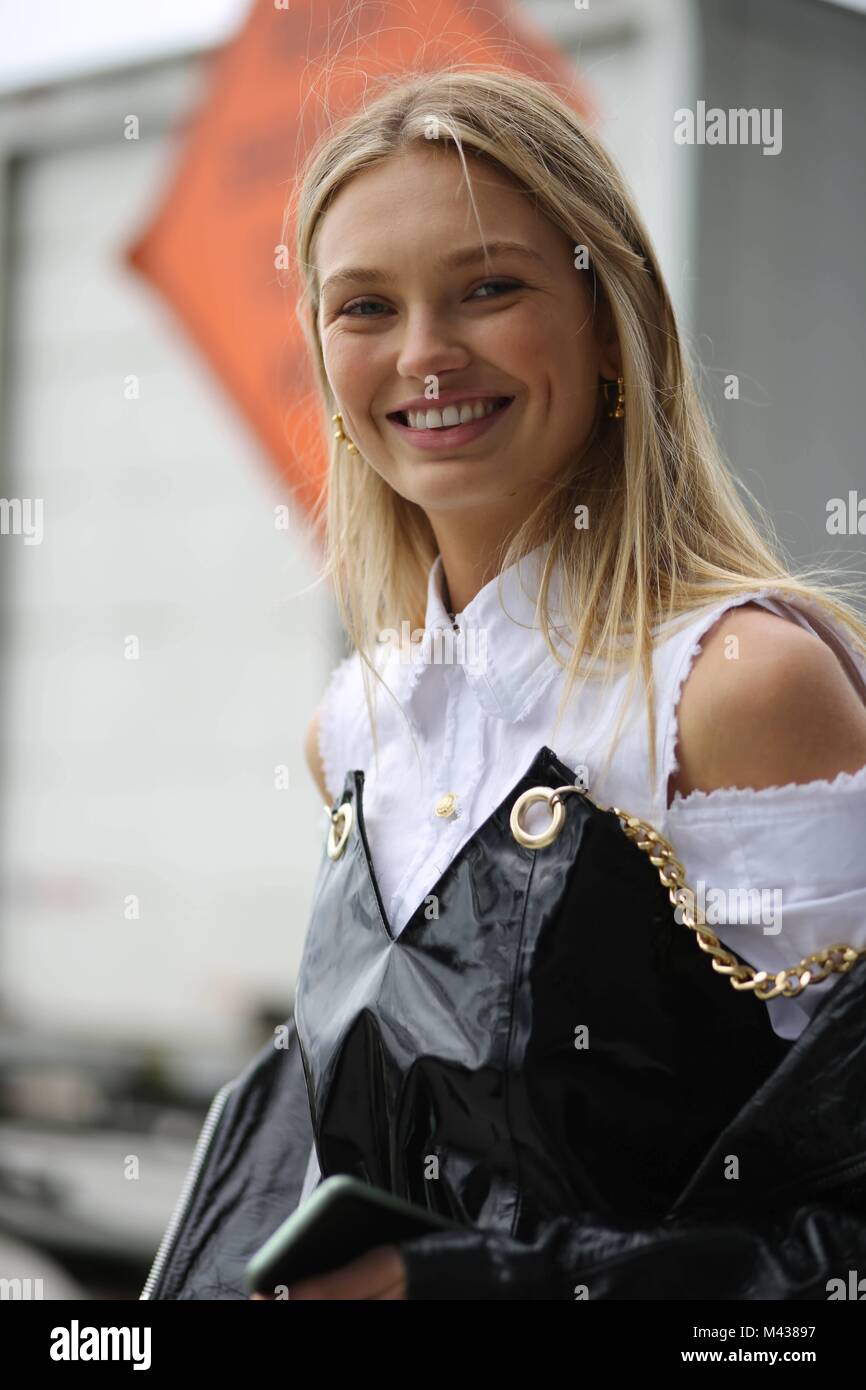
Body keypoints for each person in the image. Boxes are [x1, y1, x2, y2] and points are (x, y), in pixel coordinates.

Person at [141, 67, 866, 1303]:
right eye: (364, 305)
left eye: (487, 288)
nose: (425, 354)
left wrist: (478, 1285)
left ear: (605, 319)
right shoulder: (355, 722)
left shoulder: (737, 689)